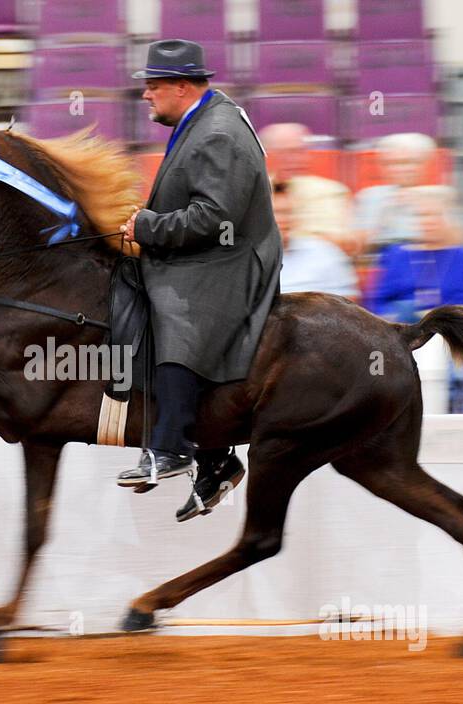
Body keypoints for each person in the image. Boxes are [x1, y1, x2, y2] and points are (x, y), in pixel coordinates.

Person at [116, 39, 282, 523]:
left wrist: (147, 227)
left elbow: (213, 217)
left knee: (174, 307)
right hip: (214, 248)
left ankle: (174, 447)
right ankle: (217, 458)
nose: (145, 95)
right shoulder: (202, 119)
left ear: (182, 87)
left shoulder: (218, 132)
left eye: (153, 86)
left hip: (229, 258)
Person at [367, 185, 463, 412]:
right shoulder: (396, 255)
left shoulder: (460, 256)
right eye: (422, 216)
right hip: (399, 333)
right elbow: (376, 302)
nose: (428, 222)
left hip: (444, 334)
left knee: (446, 365)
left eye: (435, 216)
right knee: (375, 366)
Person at [260, 122, 358, 298]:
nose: (294, 159)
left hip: (321, 283)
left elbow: (346, 245)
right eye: (285, 153)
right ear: (267, 156)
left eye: (299, 151)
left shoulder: (332, 191)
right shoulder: (252, 194)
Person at [353, 132, 463, 255]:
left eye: (409, 162)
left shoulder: (442, 195)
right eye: (393, 163)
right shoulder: (371, 196)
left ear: (426, 163)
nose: (401, 169)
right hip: (383, 264)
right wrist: (385, 212)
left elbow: (459, 242)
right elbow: (357, 247)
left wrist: (427, 209)